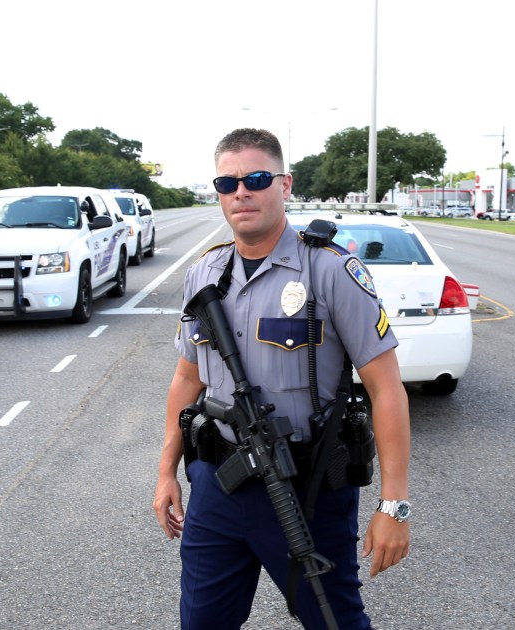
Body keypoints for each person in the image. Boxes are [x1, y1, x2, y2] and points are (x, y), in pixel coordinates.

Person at [153, 128, 411, 629]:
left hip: (307, 490)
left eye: (255, 178)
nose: (241, 193)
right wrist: (166, 471)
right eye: (227, 184)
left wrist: (394, 504)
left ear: (285, 184)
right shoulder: (204, 274)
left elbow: (386, 388)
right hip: (216, 486)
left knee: (336, 622)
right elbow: (187, 379)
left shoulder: (331, 270)